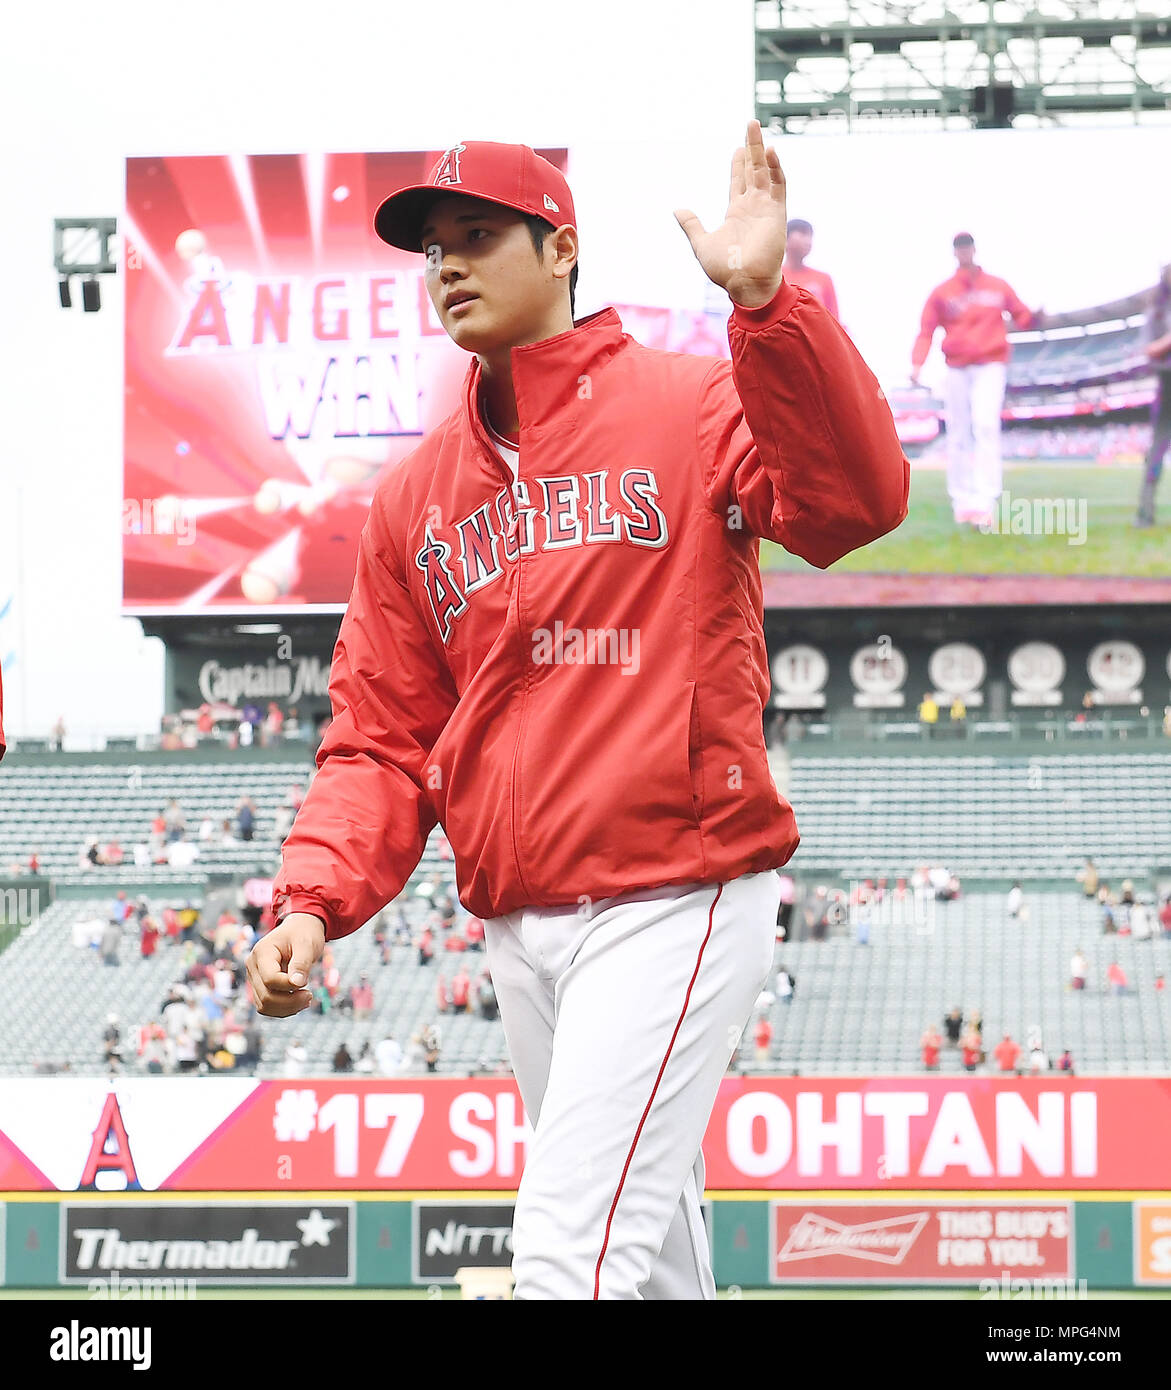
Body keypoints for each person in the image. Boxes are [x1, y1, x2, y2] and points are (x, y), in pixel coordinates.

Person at [249, 125, 909, 1302]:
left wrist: (769, 304)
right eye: (430, 248)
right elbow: (380, 734)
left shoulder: (691, 398)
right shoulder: (412, 499)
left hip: (674, 883)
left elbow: (852, 502)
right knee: (645, 1266)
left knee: (562, 1257)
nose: (446, 264)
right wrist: (313, 897)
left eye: (476, 235)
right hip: (523, 923)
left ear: (560, 248)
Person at [910, 232, 1043, 527]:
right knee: (958, 432)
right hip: (957, 366)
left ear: (974, 249)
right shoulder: (942, 291)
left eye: (967, 246)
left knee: (985, 425)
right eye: (959, 247)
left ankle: (985, 500)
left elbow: (1021, 316)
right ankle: (962, 500)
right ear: (954, 252)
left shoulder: (997, 285)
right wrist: (917, 363)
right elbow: (926, 329)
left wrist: (1035, 318)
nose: (964, 251)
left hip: (990, 364)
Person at [1134, 262, 1171, 527]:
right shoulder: (1157, 311)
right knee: (1157, 450)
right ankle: (1145, 513)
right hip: (1168, 383)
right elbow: (1148, 349)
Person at [779, 218, 840, 321]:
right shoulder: (773, 279)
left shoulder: (823, 279)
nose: (808, 241)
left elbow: (834, 320)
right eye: (803, 234)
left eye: (810, 236)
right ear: (785, 238)